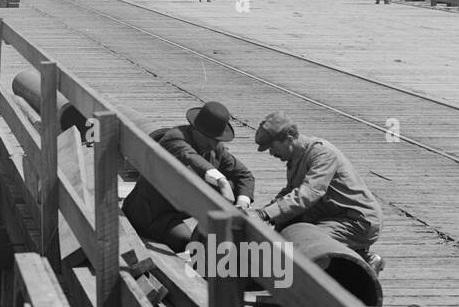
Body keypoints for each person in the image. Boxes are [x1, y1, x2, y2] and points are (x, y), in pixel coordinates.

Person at [252, 111, 383, 272]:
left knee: (306, 243)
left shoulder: (321, 153)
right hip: (330, 214)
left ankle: (363, 261)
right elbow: (291, 192)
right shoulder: (296, 157)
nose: (271, 153)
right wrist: (265, 213)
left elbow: (308, 193)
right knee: (281, 231)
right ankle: (358, 253)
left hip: (357, 220)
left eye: (272, 147)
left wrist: (266, 215)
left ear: (289, 139)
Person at [122, 101, 256, 252]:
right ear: (196, 130)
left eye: (217, 140)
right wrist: (221, 181)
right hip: (151, 213)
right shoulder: (175, 139)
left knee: (234, 187)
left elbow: (244, 175)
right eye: (210, 138)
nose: (214, 144)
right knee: (188, 243)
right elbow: (190, 157)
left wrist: (242, 204)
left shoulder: (215, 147)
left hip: (178, 211)